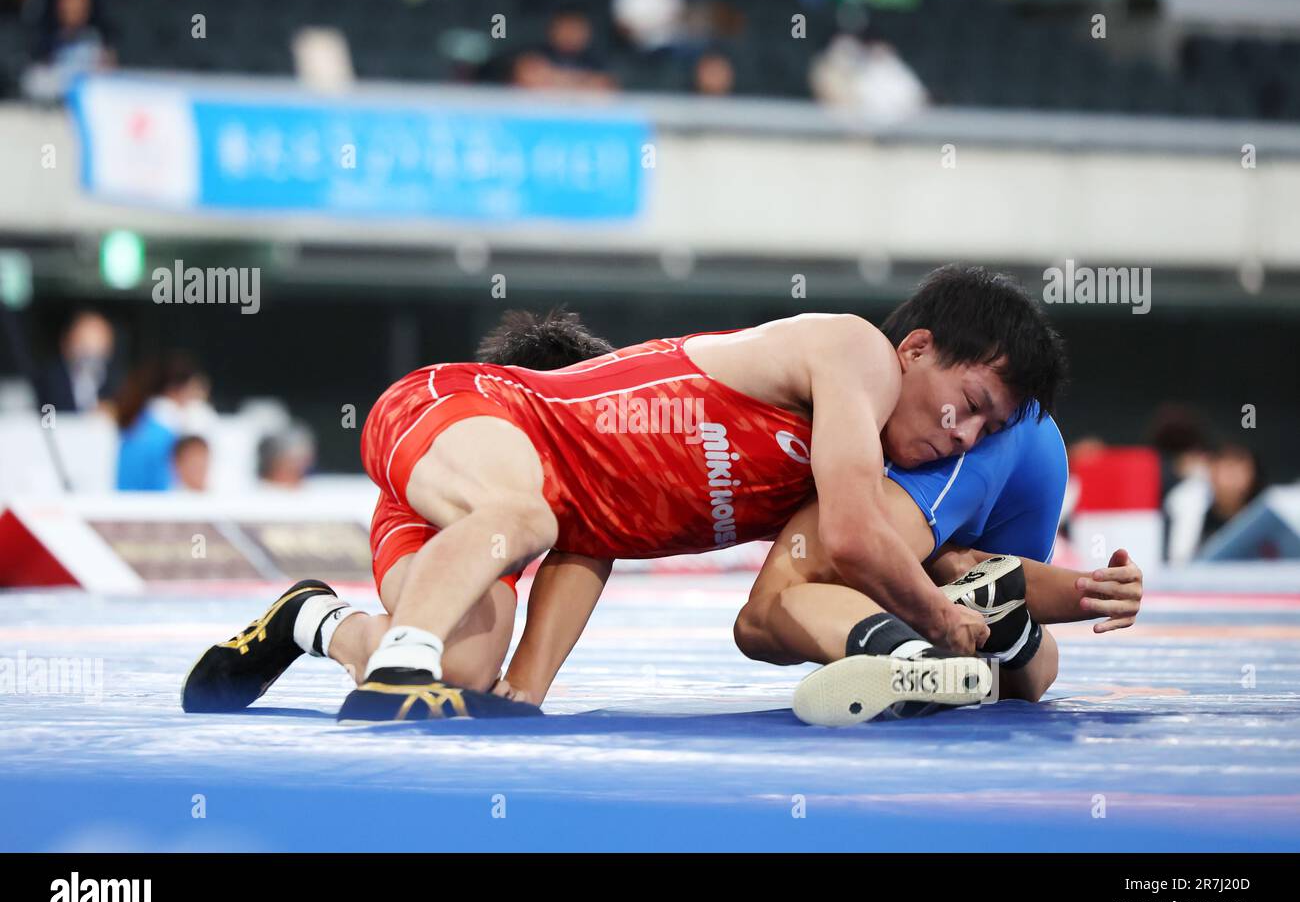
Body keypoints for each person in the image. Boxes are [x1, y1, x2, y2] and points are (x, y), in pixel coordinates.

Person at [182, 266, 1068, 723]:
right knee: (522, 519)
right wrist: (940, 619)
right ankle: (395, 669)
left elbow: (592, 538)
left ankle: (315, 624)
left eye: (988, 434)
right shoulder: (852, 354)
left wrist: (525, 690)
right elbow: (854, 536)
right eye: (972, 406)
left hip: (489, 512)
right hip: (468, 409)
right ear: (914, 349)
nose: (963, 436)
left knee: (473, 678)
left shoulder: (853, 461)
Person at [114, 352, 215, 491]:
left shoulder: (139, 422)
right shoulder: (165, 432)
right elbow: (164, 486)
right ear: (177, 390)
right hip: (150, 507)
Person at [37, 310, 117, 413]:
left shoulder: (115, 385)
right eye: (84, 345)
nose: (91, 354)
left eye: (99, 347)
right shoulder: (47, 383)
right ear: (65, 343)